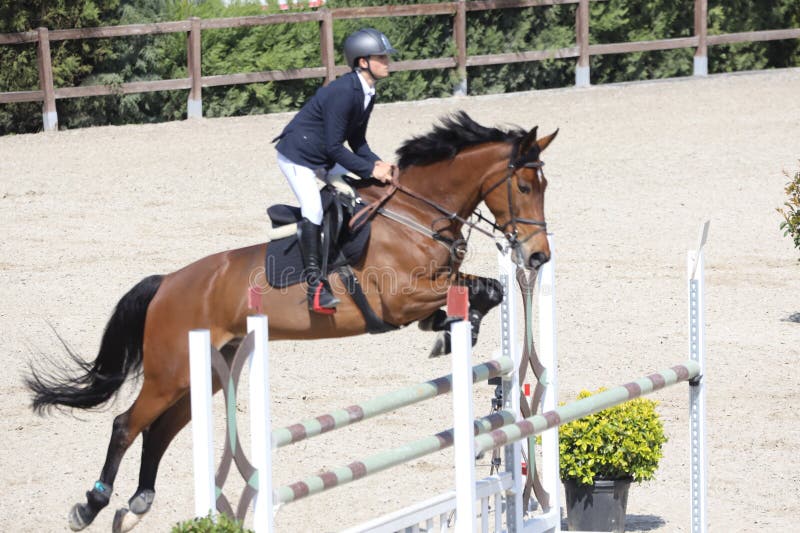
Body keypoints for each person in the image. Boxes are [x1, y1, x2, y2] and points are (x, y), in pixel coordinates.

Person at [273, 28, 397, 314]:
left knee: (356, 192)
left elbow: (357, 141)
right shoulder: (343, 92)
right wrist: (369, 168)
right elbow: (333, 147)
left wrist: (380, 165)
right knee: (313, 208)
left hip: (323, 155)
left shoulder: (367, 92)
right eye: (381, 57)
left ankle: (341, 255)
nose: (387, 62)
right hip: (298, 156)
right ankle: (315, 287)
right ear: (363, 62)